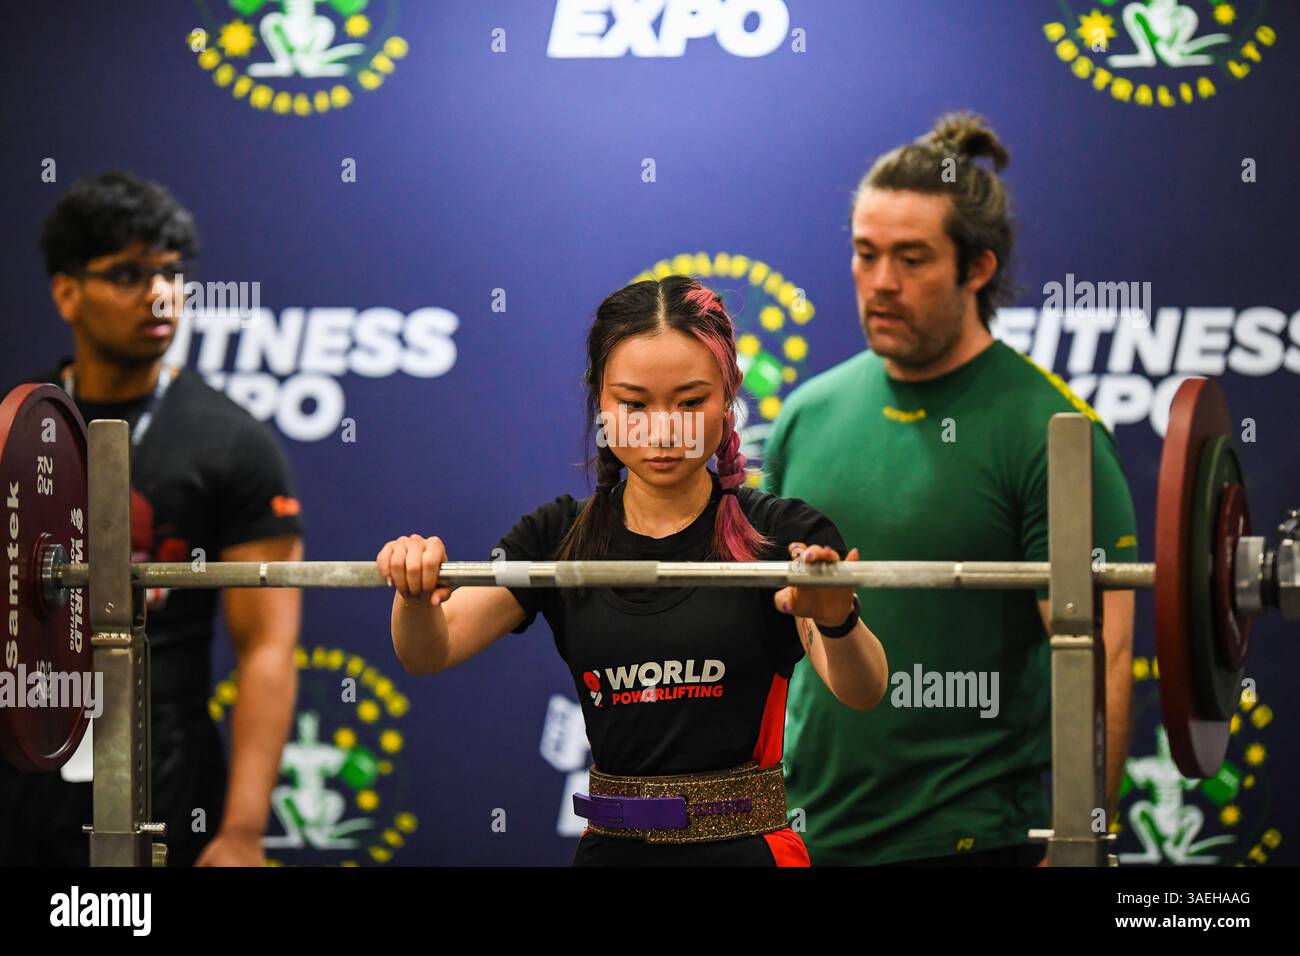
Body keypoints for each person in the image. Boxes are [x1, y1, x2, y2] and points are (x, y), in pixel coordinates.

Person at [378, 275, 889, 866]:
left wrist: (836, 619)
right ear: (600, 400)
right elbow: (430, 651)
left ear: (730, 397)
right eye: (635, 403)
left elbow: (863, 688)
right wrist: (414, 597)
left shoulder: (783, 535)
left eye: (691, 402)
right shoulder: (556, 538)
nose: (663, 427)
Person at [765, 114, 1139, 866]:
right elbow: (786, 629)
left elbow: (1103, 658)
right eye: (865, 255)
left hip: (973, 839)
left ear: (978, 269)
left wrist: (1081, 840)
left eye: (911, 259)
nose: (881, 283)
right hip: (807, 838)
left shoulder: (1052, 431)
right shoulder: (806, 415)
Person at [0, 171, 305, 867]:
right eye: (130, 273)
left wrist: (243, 832)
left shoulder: (234, 442)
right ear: (66, 291)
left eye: (172, 273)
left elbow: (267, 648)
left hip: (165, 762)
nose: (161, 293)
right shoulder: (16, 436)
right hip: (20, 751)